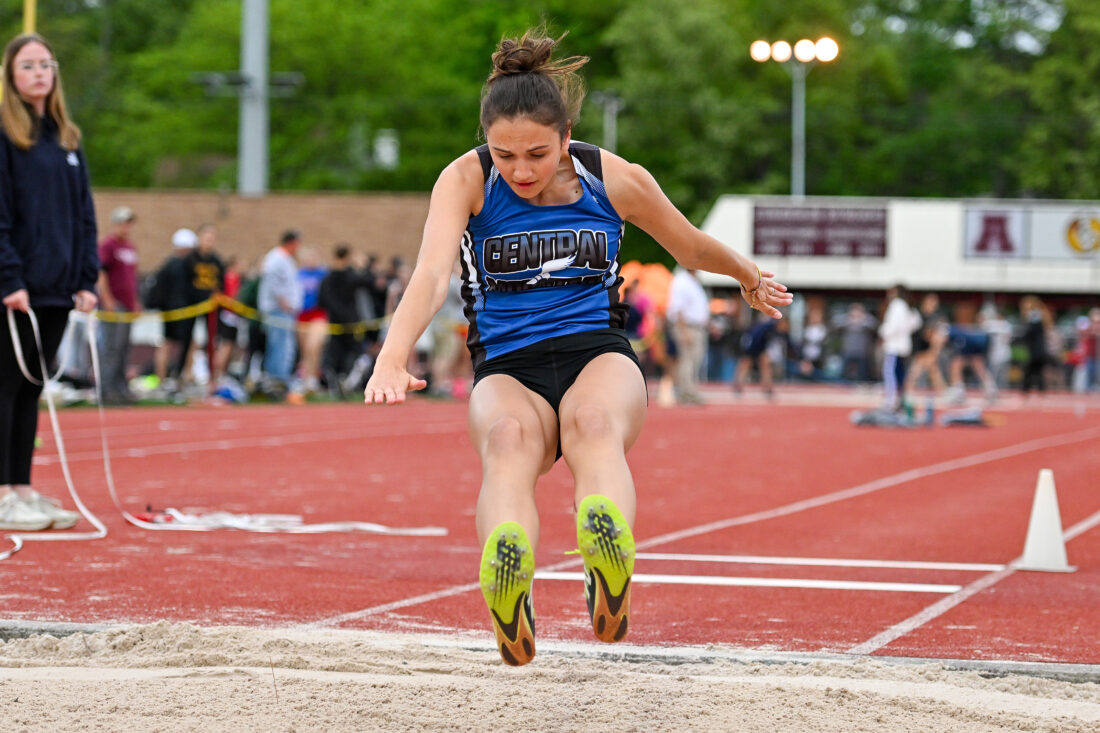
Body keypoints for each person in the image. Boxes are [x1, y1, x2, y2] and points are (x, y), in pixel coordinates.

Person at [363, 29, 791, 666]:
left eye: (537, 152)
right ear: (486, 143)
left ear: (566, 137)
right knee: (508, 440)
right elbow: (430, 275)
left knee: (593, 425)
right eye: (505, 155)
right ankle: (510, 576)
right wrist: (392, 354)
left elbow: (691, 246)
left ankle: (605, 557)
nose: (522, 171)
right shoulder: (464, 180)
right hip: (507, 363)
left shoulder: (611, 177)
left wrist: (750, 277)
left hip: (597, 351)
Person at [0, 33, 98, 531]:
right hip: (17, 291)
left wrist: (86, 278)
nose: (39, 72)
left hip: (59, 290)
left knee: (32, 388)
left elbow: (84, 216)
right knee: (6, 386)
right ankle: (2, 492)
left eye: (46, 64)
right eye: (28, 65)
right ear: (11, 76)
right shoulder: (4, 135)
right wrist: (9, 277)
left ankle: (22, 487)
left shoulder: (66, 138)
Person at [96, 206, 140, 404]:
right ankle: (106, 390)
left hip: (128, 305)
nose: (126, 227)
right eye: (123, 222)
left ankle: (121, 388)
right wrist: (107, 299)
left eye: (129, 223)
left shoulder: (130, 247)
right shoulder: (108, 245)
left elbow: (132, 278)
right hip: (114, 304)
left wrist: (136, 301)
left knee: (124, 348)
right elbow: (101, 272)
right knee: (111, 348)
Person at [151, 227, 197, 394]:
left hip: (168, 311)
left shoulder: (167, 264)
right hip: (182, 311)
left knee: (167, 344)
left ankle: (162, 380)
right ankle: (185, 377)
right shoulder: (185, 266)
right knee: (188, 345)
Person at [258, 229, 303, 396]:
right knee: (280, 346)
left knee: (284, 346)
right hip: (278, 310)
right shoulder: (277, 258)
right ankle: (277, 381)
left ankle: (279, 380)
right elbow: (271, 279)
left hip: (284, 310)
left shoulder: (283, 258)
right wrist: (282, 300)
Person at [665, 266, 709, 404]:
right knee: (688, 360)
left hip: (695, 327)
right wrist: (683, 332)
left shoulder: (692, 282)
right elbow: (678, 309)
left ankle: (689, 390)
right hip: (688, 327)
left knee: (693, 360)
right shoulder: (682, 282)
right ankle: (686, 392)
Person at [879, 284, 920, 411]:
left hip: (894, 346)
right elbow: (915, 322)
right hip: (903, 346)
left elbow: (893, 326)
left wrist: (884, 332)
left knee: (890, 372)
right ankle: (900, 399)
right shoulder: (907, 306)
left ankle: (891, 400)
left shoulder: (896, 305)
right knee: (900, 374)